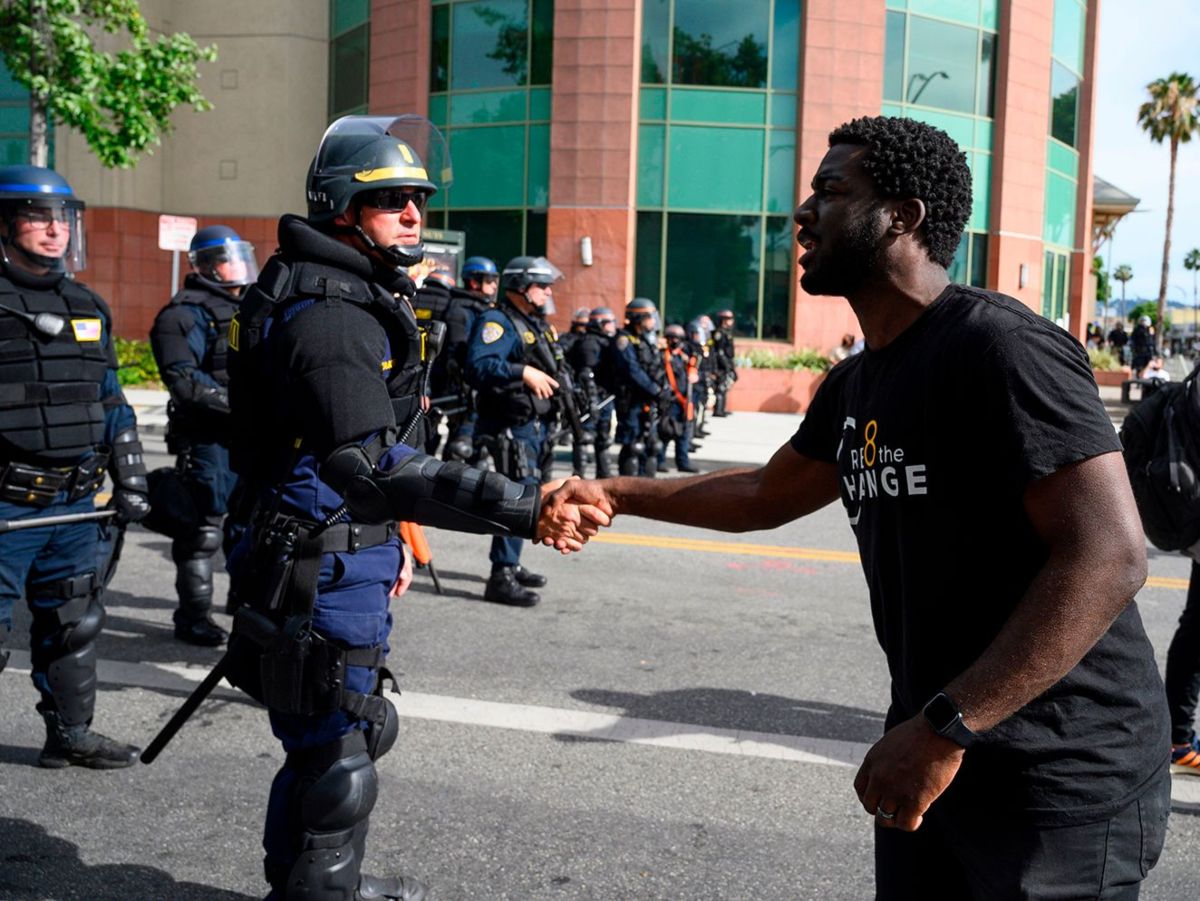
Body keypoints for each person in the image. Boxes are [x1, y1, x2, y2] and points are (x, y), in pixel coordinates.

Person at [543, 115, 1171, 899]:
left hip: (1057, 773)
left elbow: (1109, 556)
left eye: (831, 191)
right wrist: (614, 491)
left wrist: (946, 726)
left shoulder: (1001, 348)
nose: (803, 213)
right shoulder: (855, 382)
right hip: (930, 747)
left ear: (902, 216)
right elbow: (765, 493)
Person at [224, 115, 605, 901]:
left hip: (336, 542)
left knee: (338, 732)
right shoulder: (332, 311)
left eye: (417, 199)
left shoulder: (346, 288)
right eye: (388, 199)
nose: (411, 213)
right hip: (320, 557)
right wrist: (525, 506)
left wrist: (392, 537)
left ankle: (302, 885)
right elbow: (366, 461)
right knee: (338, 747)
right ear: (341, 208)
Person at [0, 165, 150, 768]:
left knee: (73, 623)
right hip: (7, 505)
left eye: (62, 217)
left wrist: (132, 476)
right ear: (5, 224)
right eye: (37, 216)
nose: (54, 228)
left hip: (75, 506)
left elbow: (110, 400)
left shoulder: (87, 305)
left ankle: (70, 734)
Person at [150, 225, 260, 646]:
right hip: (208, 438)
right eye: (230, 259)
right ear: (209, 266)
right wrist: (242, 409)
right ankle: (193, 618)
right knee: (203, 531)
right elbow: (184, 381)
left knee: (251, 528)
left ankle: (245, 610)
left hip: (250, 438)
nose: (240, 266)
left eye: (241, 256)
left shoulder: (251, 307)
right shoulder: (183, 313)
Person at [463, 255, 574, 607]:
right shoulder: (498, 321)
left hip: (531, 424)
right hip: (509, 425)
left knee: (531, 494)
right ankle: (501, 576)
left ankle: (511, 562)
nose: (548, 292)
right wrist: (522, 372)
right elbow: (479, 365)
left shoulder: (531, 323)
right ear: (521, 287)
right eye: (542, 285)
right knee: (516, 498)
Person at [611, 297, 668, 477]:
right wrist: (655, 390)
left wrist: (662, 388)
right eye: (649, 317)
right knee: (633, 446)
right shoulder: (624, 340)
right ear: (638, 318)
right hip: (631, 400)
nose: (653, 322)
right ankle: (628, 487)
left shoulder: (645, 340)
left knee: (652, 445)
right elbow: (632, 371)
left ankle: (646, 486)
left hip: (647, 400)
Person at [565, 306, 618, 478]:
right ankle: (578, 476)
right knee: (584, 436)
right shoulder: (589, 343)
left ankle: (604, 476)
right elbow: (586, 375)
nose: (612, 326)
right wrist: (592, 401)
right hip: (588, 397)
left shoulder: (605, 342)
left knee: (603, 437)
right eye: (609, 323)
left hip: (604, 396)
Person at [659, 323, 699, 473]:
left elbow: (694, 372)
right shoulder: (663, 356)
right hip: (670, 401)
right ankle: (660, 461)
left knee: (684, 432)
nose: (675, 341)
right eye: (672, 338)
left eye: (677, 338)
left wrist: (695, 376)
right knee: (666, 431)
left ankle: (683, 462)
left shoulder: (683, 356)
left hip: (685, 400)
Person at [710, 308, 737, 417]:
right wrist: (726, 365)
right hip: (721, 364)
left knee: (725, 385)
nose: (732, 321)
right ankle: (718, 410)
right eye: (729, 319)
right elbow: (719, 352)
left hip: (727, 362)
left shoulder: (727, 332)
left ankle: (722, 409)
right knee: (721, 387)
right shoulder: (719, 333)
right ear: (724, 320)